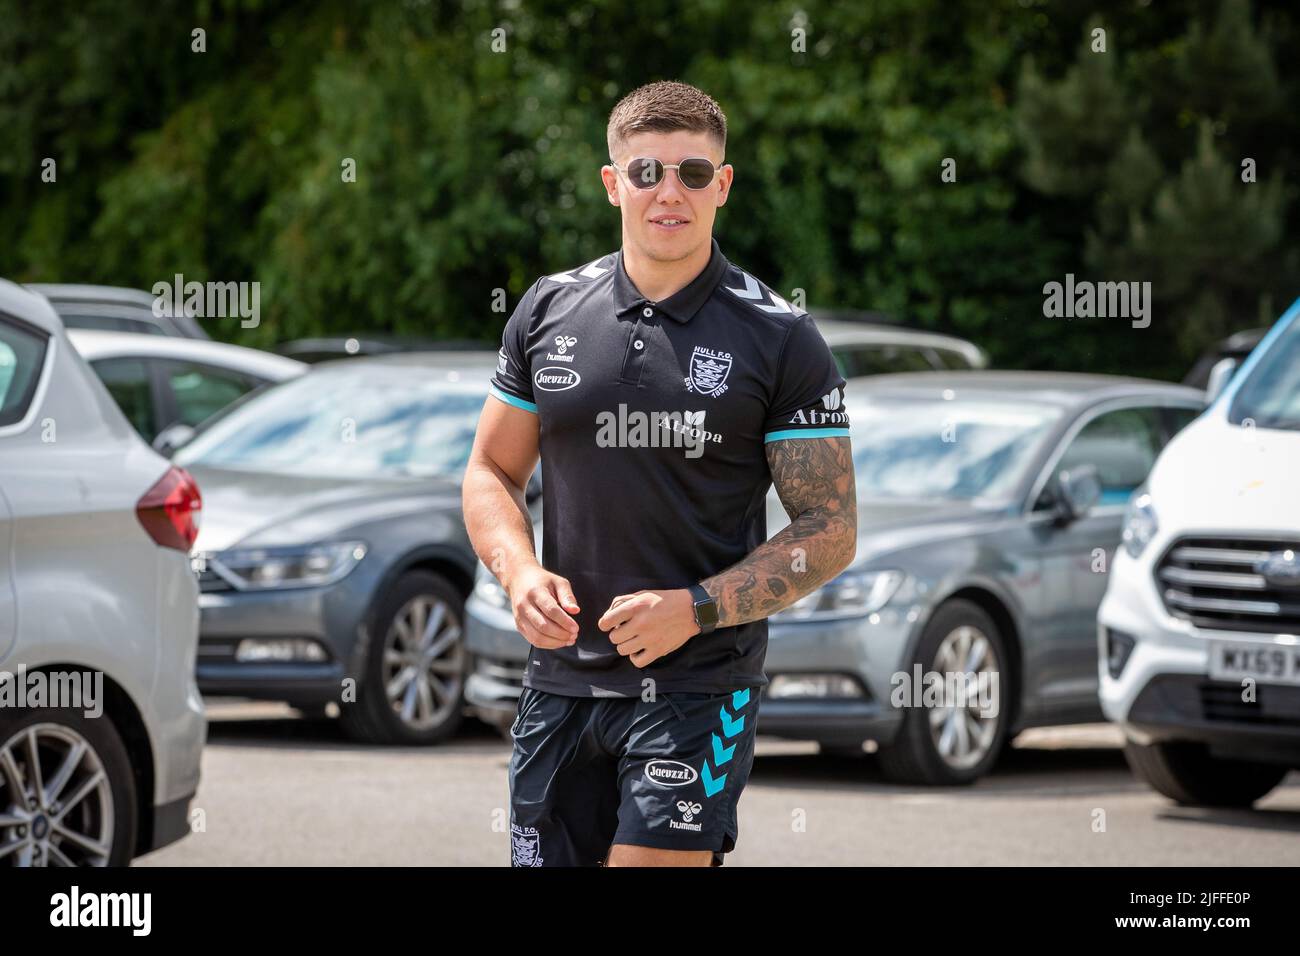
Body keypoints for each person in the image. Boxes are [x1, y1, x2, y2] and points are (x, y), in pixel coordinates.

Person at [462, 80, 857, 867]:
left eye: (693, 173)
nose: (668, 192)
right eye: (646, 172)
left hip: (700, 688)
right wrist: (518, 574)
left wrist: (697, 608)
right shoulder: (546, 311)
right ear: (614, 183)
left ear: (723, 185)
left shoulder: (781, 335)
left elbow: (832, 530)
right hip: (558, 686)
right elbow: (491, 472)